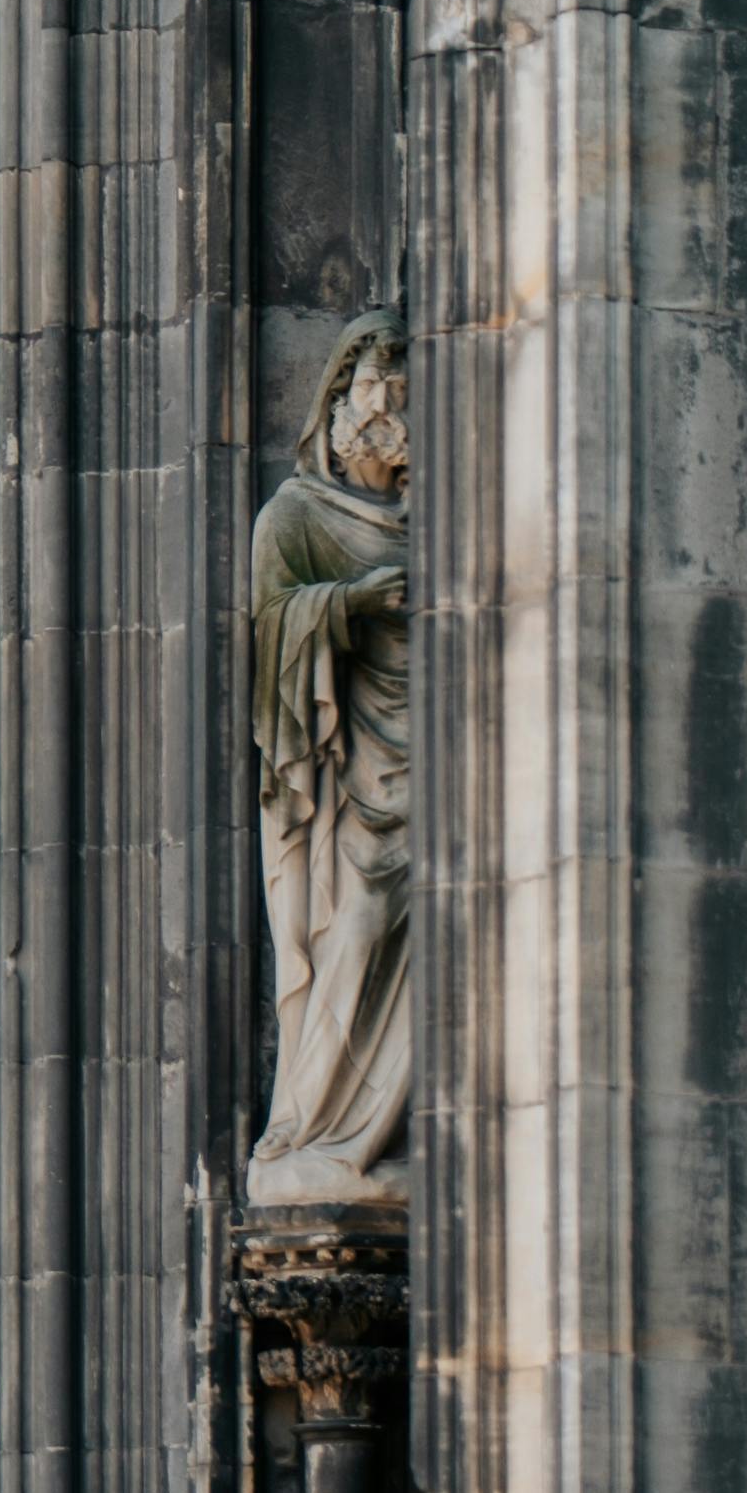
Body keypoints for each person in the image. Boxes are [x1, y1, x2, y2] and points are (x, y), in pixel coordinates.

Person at [245, 311, 413, 1209]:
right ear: (339, 409)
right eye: (369, 392)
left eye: (398, 395)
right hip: (344, 779)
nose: (382, 409)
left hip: (426, 771)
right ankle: (315, 1124)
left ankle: (386, 1130)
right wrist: (348, 606)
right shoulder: (296, 517)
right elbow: (271, 629)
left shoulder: (435, 519)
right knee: (351, 930)